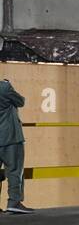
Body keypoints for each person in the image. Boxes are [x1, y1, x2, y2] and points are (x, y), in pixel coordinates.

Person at [0, 76, 34, 214]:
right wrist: (8, 84)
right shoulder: (4, 88)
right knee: (14, 170)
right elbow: (21, 101)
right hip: (10, 137)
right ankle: (14, 202)